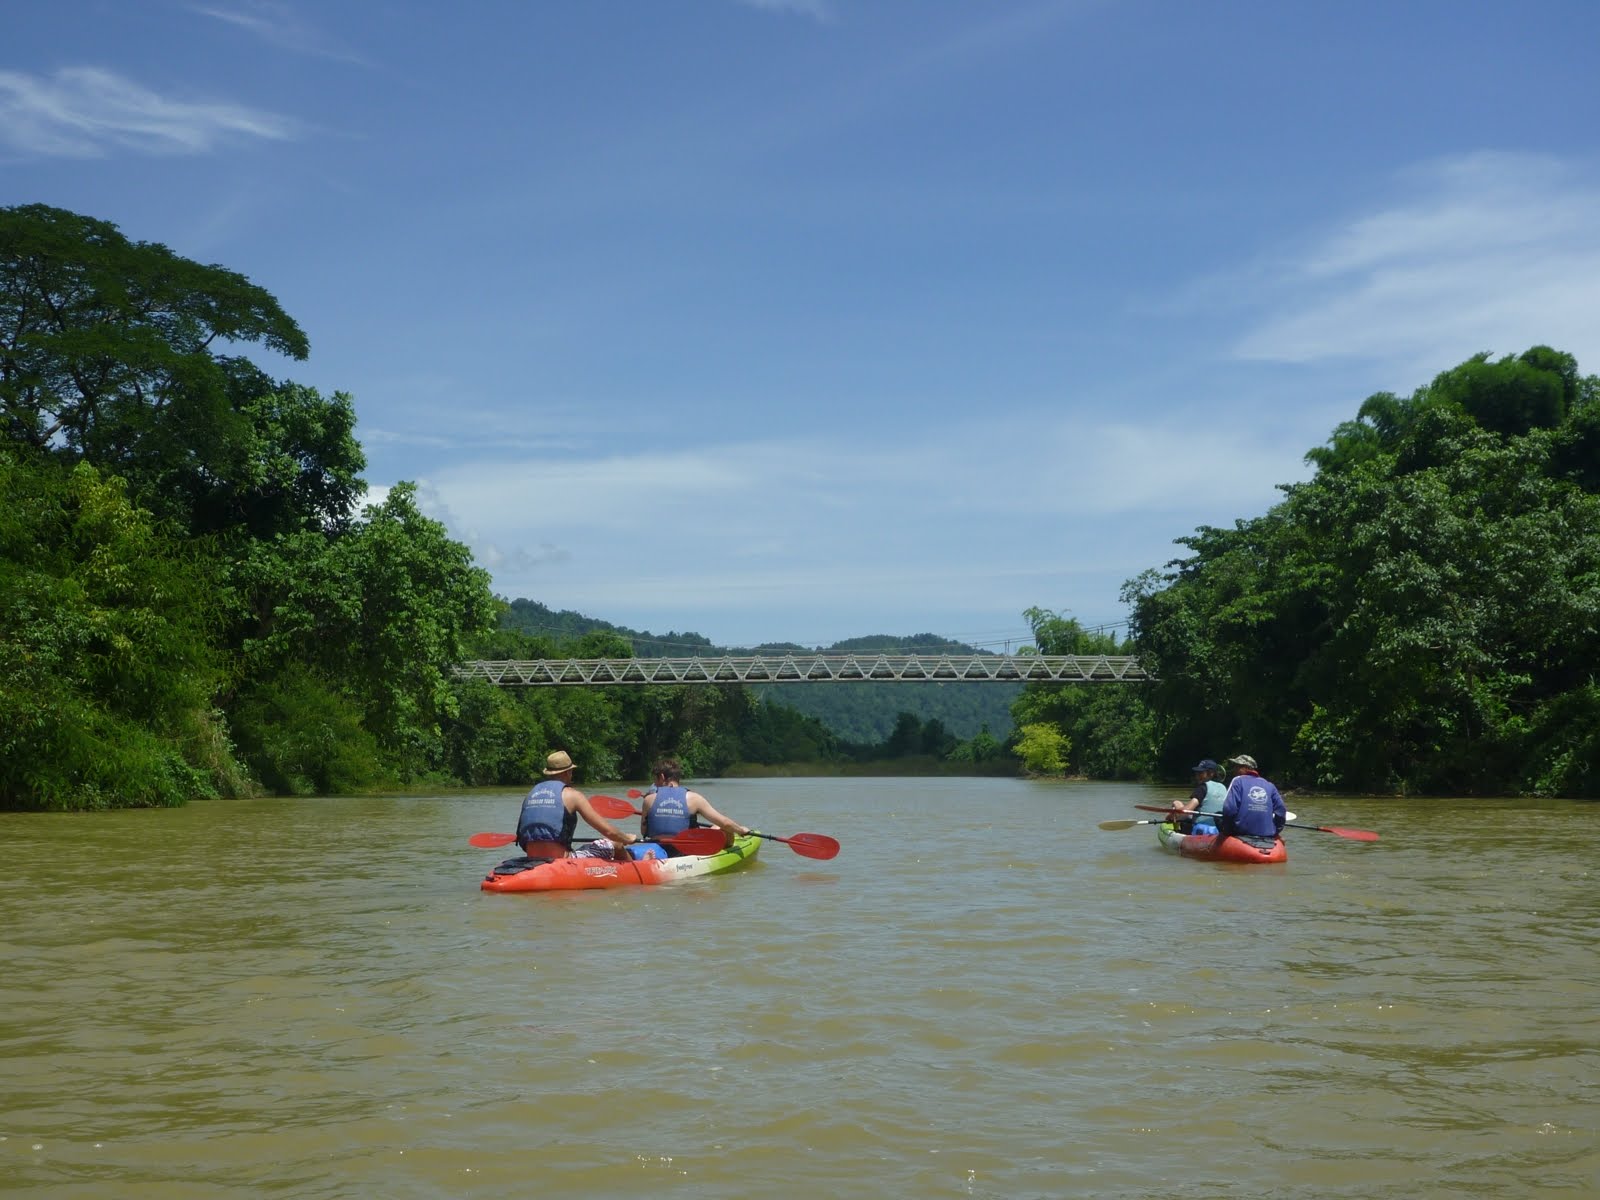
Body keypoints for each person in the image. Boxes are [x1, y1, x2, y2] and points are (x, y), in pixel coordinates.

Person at [515, 749, 640, 861]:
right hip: (561, 859)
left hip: (532, 859)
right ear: (567, 772)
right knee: (616, 844)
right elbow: (608, 831)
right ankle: (636, 870)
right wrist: (626, 838)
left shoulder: (531, 794)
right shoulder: (573, 795)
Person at [637, 758, 751, 855]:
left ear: (661, 777)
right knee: (721, 828)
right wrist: (741, 830)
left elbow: (644, 831)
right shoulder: (694, 798)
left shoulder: (648, 799)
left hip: (656, 848)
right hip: (686, 850)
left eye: (655, 780)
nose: (654, 784)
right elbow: (725, 823)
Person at [1217, 754, 1287, 846]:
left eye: (1237, 767)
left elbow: (1229, 809)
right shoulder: (1269, 785)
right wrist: (1275, 830)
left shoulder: (1238, 781)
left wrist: (1227, 831)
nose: (1234, 770)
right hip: (1267, 834)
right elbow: (1281, 811)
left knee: (1217, 816)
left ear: (1246, 768)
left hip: (1241, 832)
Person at [1173, 758, 1226, 832]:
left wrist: (1172, 816)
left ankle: (1176, 830)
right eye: (1197, 773)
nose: (1197, 776)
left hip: (1200, 830)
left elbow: (1186, 812)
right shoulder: (1224, 788)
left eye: (1201, 773)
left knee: (1176, 803)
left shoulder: (1202, 788)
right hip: (1218, 828)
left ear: (1211, 773)